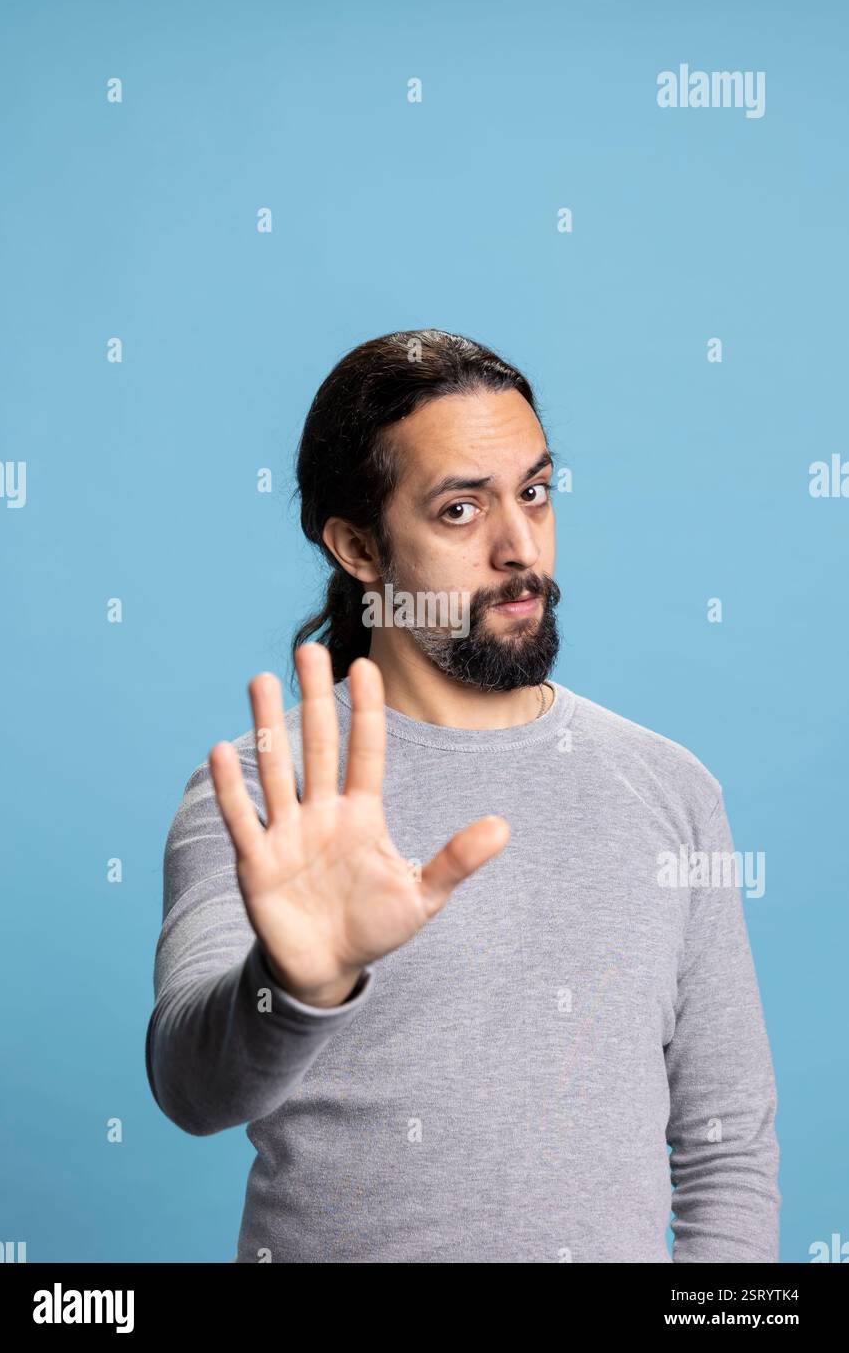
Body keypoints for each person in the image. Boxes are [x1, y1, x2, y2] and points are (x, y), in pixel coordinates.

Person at [145, 329, 781, 1263]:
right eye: (458, 511)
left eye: (534, 491)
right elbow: (190, 1087)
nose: (520, 548)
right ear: (359, 547)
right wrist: (298, 985)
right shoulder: (263, 787)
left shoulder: (673, 790)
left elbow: (729, 1145)